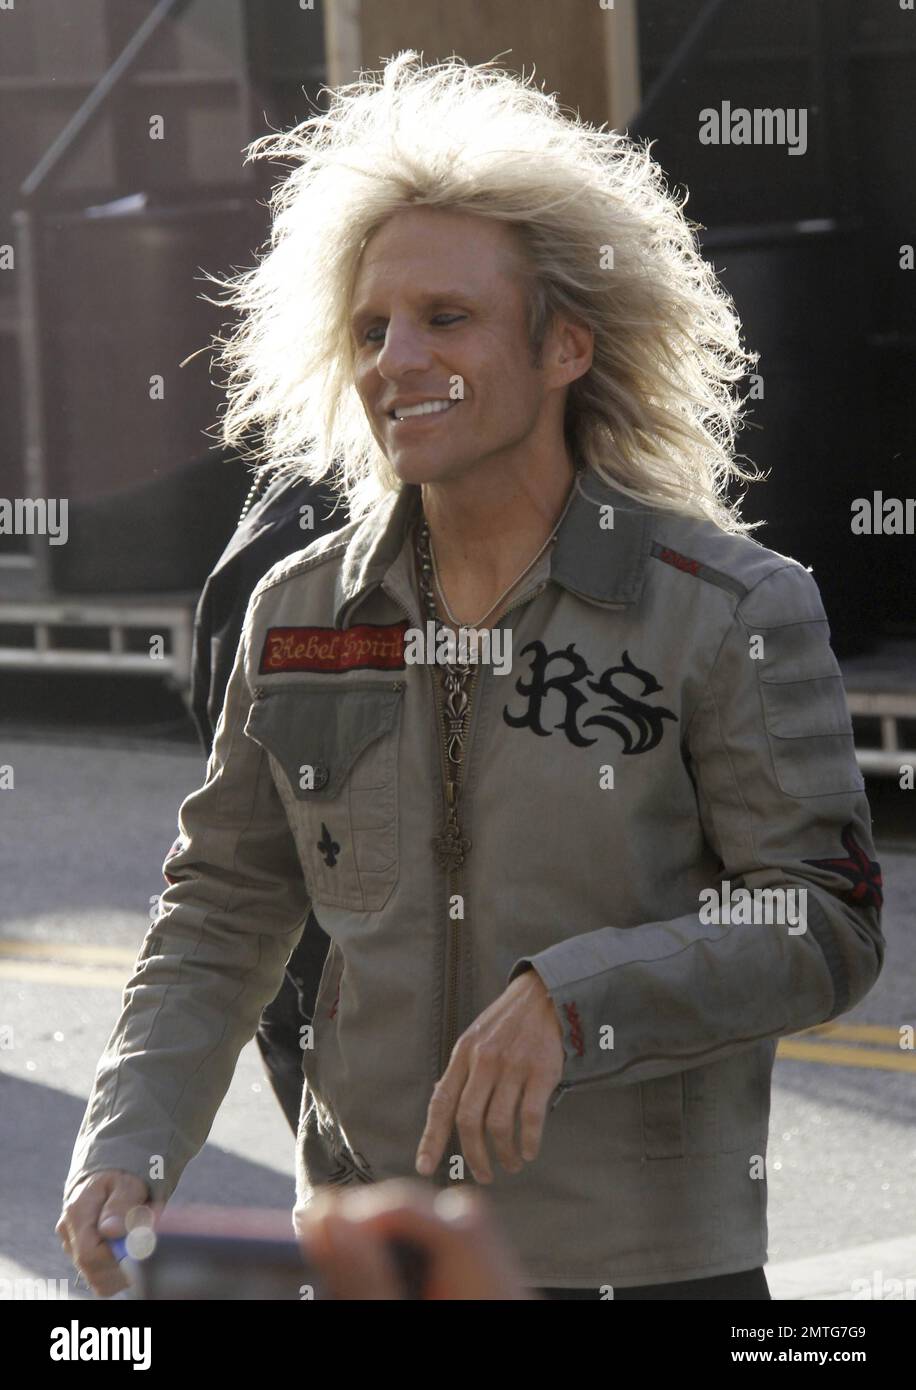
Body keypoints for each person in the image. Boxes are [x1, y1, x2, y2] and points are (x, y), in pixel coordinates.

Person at [57, 53, 884, 1300]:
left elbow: (823, 921)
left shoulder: (727, 610)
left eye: (445, 318)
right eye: (370, 327)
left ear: (564, 345)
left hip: (642, 1273)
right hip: (378, 1263)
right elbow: (223, 908)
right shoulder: (300, 612)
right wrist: (130, 1140)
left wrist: (573, 997)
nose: (395, 358)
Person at [179, 465, 346, 1132]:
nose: (403, 362)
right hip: (328, 1009)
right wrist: (123, 1150)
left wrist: (559, 997)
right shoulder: (293, 564)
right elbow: (230, 885)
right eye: (369, 348)